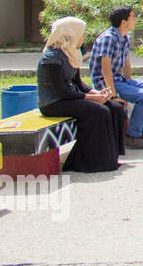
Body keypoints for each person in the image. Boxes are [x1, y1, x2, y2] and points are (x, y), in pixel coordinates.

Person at [37, 17, 124, 172]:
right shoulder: (51, 58)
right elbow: (62, 92)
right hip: (53, 103)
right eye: (81, 33)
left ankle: (110, 157)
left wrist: (97, 93)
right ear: (69, 35)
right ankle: (88, 161)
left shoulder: (70, 54)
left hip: (69, 98)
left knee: (114, 107)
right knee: (99, 111)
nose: (84, 37)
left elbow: (78, 84)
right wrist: (92, 98)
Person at [91, 6, 143, 149]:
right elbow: (105, 71)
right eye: (132, 17)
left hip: (120, 80)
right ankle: (132, 135)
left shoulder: (125, 37)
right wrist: (113, 96)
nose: (135, 19)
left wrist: (130, 85)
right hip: (106, 82)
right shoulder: (108, 38)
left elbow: (126, 64)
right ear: (123, 21)